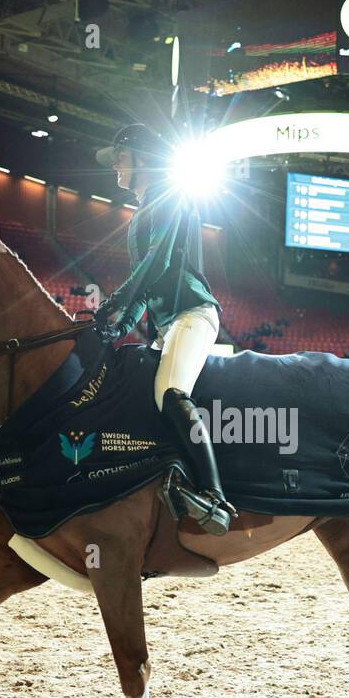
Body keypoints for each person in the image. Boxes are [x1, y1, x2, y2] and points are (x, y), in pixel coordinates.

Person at [91, 123, 235, 535]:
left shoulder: (171, 198)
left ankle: (214, 497)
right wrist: (114, 325)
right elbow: (144, 288)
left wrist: (118, 300)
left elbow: (159, 262)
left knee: (170, 392)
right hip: (164, 325)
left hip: (192, 314)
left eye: (121, 157)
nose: (116, 165)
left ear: (143, 160)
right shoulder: (142, 210)